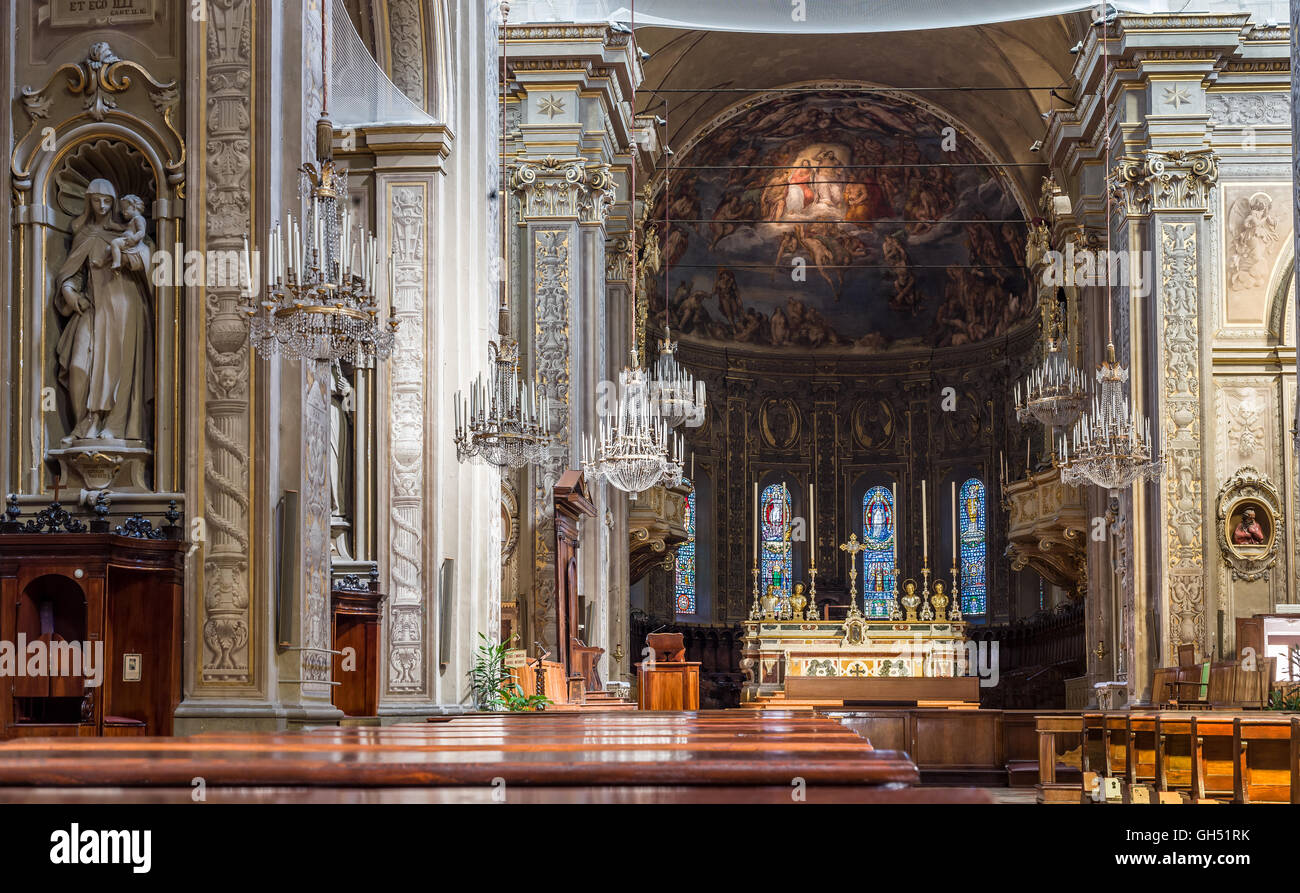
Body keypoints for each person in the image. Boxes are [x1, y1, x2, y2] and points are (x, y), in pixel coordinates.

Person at [54, 179, 153, 443]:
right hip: (93, 305)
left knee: (118, 367)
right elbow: (73, 272)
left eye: (107, 200)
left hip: (123, 305)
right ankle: (83, 425)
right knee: (78, 365)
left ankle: (115, 426)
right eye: (96, 200)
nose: (102, 205)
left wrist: (130, 256)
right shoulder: (83, 234)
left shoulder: (125, 229)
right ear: (88, 202)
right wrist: (68, 290)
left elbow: (147, 256)